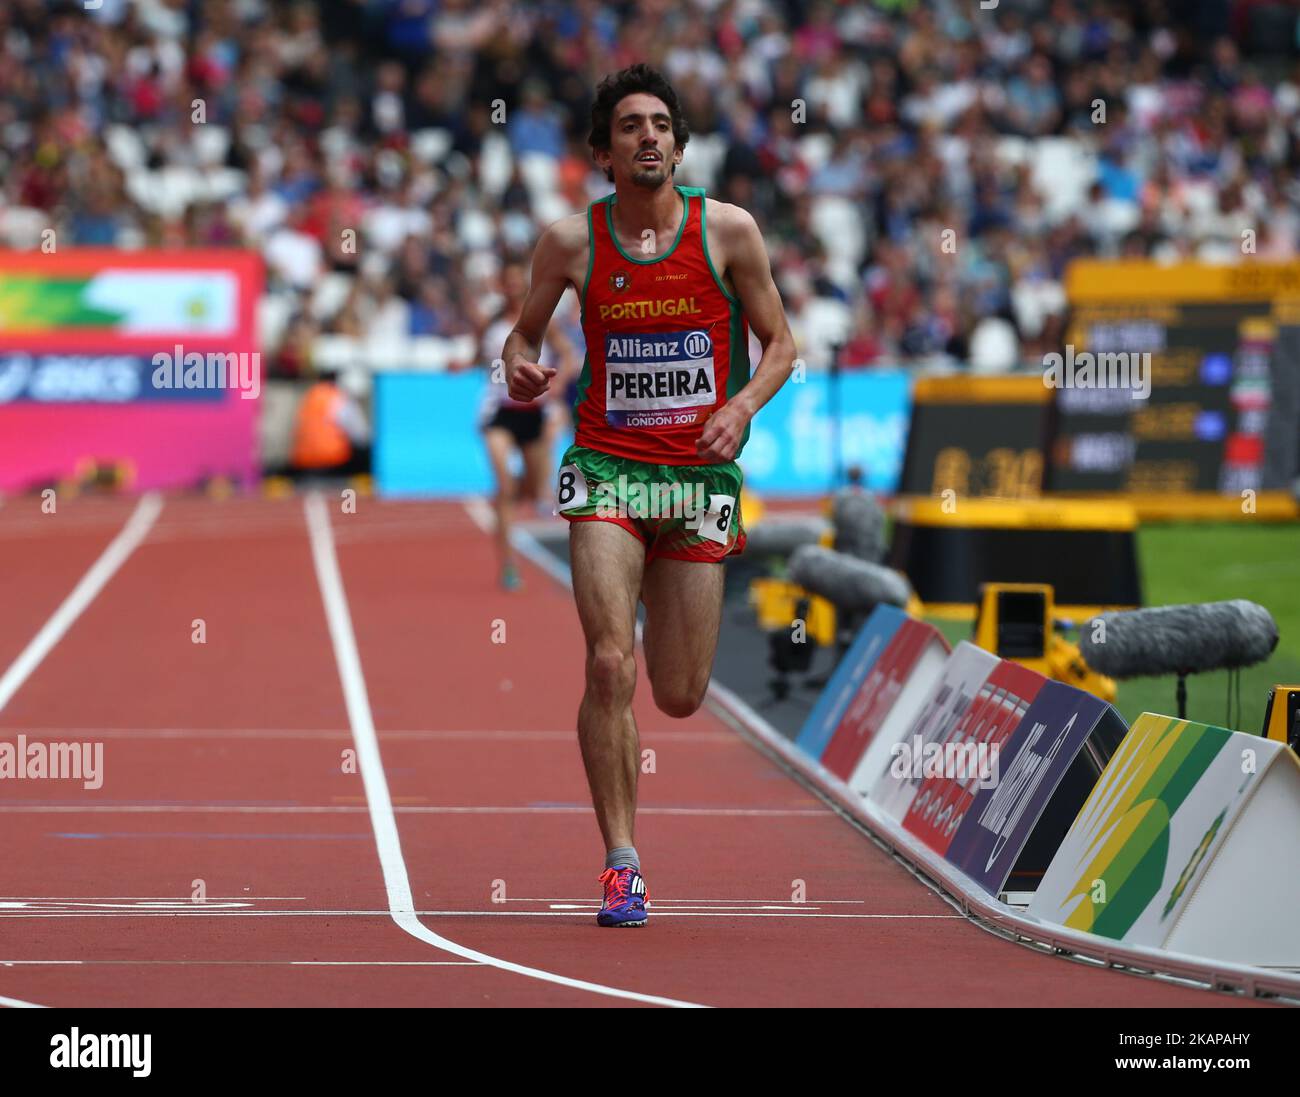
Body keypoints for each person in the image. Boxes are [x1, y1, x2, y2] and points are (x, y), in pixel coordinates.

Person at [502, 64, 796, 927]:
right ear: (604, 152)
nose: (649, 137)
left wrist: (741, 406)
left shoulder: (731, 233)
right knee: (607, 660)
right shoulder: (569, 242)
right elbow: (521, 337)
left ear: (679, 144)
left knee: (676, 691)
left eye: (661, 124)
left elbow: (781, 344)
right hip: (608, 468)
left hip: (701, 478)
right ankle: (621, 860)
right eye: (630, 126)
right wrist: (518, 366)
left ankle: (630, 821)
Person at [477, 263, 576, 590]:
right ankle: (507, 564)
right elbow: (476, 357)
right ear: (502, 287)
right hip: (499, 413)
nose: (514, 288)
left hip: (534, 412)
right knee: (505, 489)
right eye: (509, 283)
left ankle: (513, 494)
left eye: (520, 283)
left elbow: (570, 356)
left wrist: (558, 385)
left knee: (533, 491)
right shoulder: (491, 325)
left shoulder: (540, 322)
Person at [287, 369, 371, 479]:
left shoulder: (309, 396)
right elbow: (360, 434)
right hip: (333, 460)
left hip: (303, 460)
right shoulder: (339, 398)